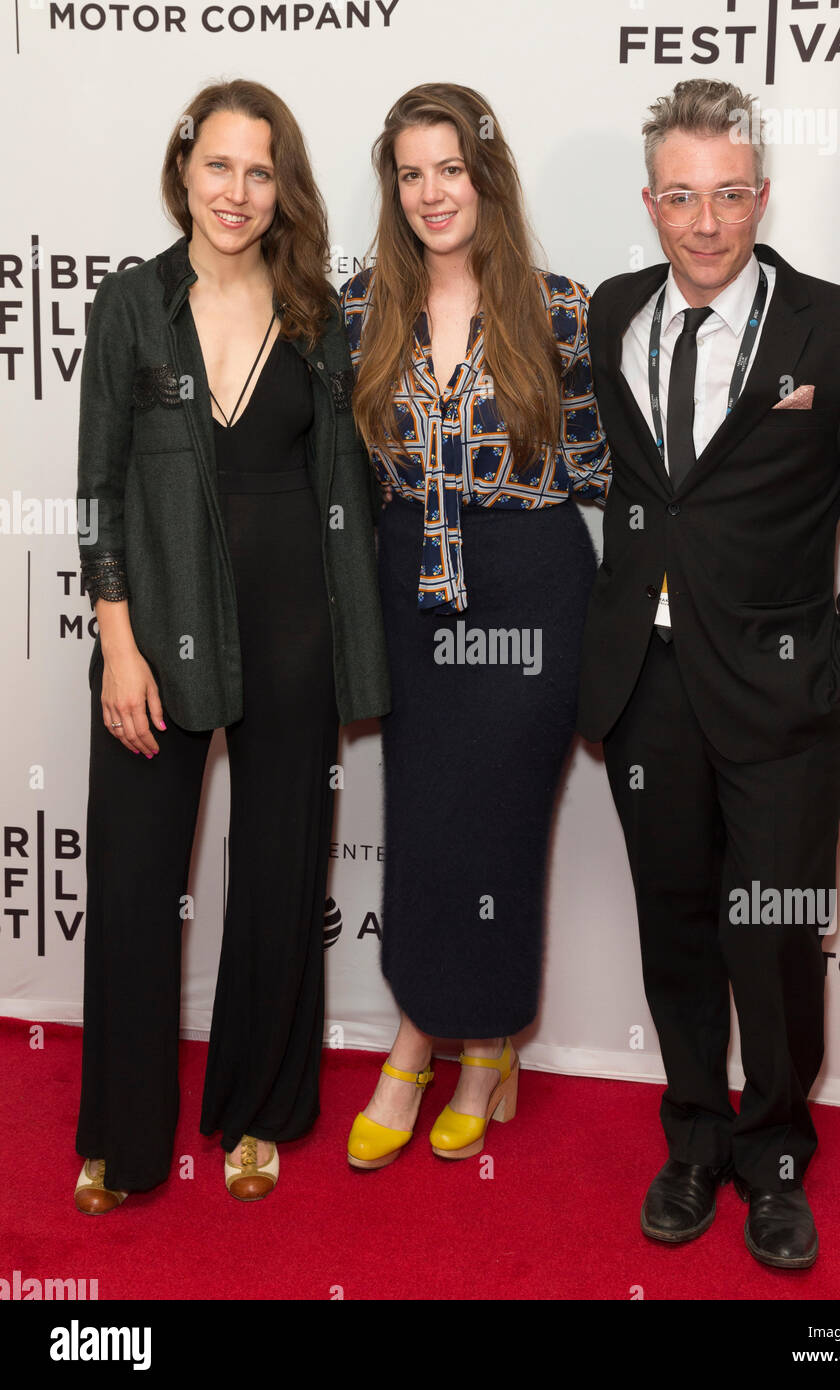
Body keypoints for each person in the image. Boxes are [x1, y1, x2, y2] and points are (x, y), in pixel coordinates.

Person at [577, 79, 840, 1267]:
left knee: (771, 938)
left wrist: (837, 673)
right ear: (650, 202)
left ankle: (774, 1157)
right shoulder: (613, 314)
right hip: (645, 687)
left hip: (779, 694)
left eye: (728, 194)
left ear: (761, 195)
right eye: (681, 196)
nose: (706, 222)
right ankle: (692, 1137)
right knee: (674, 924)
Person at [73, 79, 389, 1211]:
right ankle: (121, 1130)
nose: (237, 191)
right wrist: (117, 641)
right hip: (154, 635)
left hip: (295, 628)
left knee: (276, 873)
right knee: (132, 878)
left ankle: (260, 1108)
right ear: (184, 168)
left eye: (260, 171)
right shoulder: (131, 305)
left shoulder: (318, 317)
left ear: (282, 185)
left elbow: (343, 486)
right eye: (219, 165)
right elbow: (99, 488)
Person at [340, 83, 610, 1168]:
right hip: (412, 586)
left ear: (485, 174)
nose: (430, 192)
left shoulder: (562, 308)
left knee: (498, 822)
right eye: (410, 173)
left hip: (533, 586)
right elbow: (345, 477)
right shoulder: (357, 309)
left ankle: (462, 1043)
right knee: (422, 819)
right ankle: (435, 1030)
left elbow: (605, 467)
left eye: (449, 167)